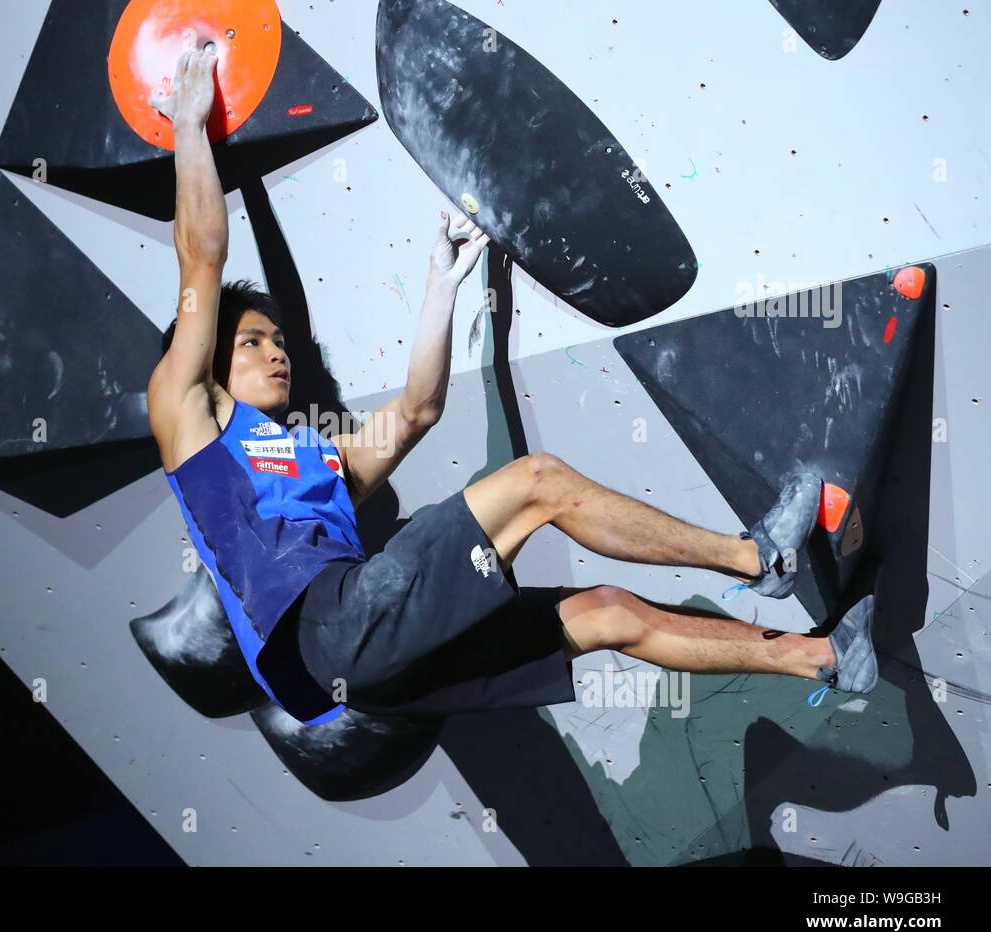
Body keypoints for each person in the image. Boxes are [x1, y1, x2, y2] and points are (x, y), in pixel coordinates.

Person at [145, 37, 878, 726]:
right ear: (207, 362)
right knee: (537, 482)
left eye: (278, 340)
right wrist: (189, 125)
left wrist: (442, 286)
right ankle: (757, 557)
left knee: (604, 614)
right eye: (251, 341)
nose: (277, 352)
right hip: (324, 632)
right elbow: (201, 257)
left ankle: (827, 658)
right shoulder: (194, 427)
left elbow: (416, 410)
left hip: (362, 672)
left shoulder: (316, 463)